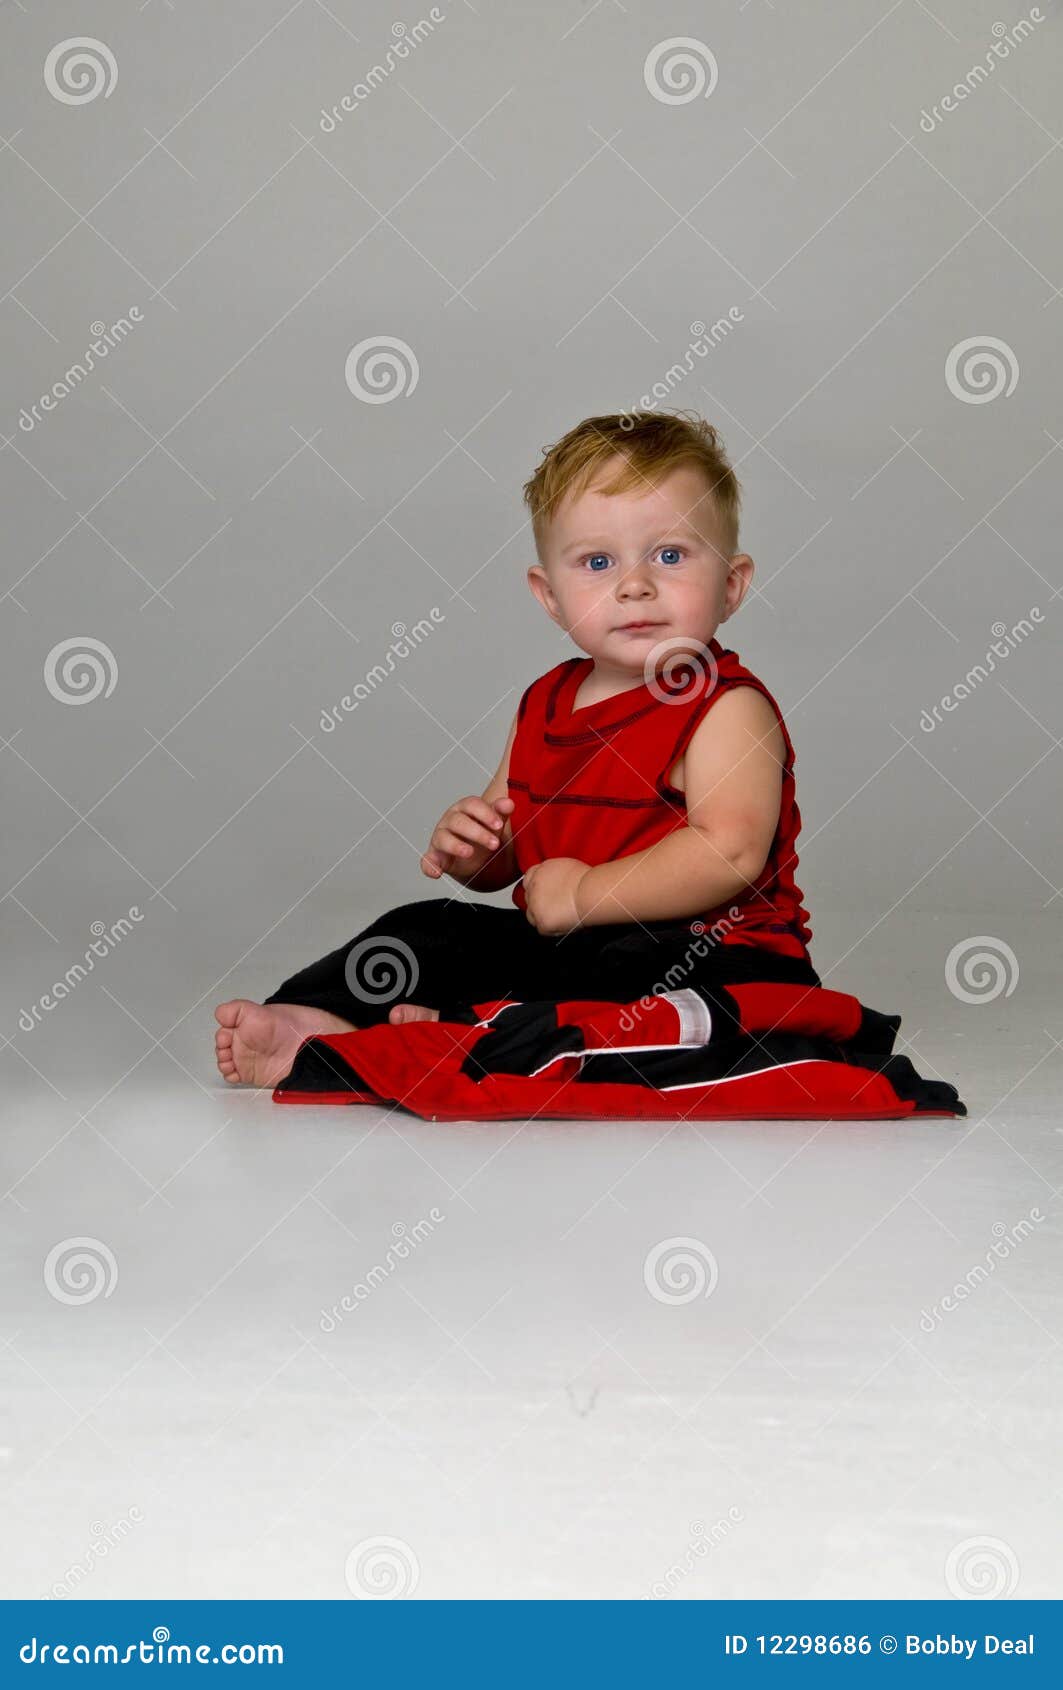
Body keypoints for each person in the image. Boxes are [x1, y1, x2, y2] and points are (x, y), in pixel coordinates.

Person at [215, 409, 819, 1088]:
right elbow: (513, 850)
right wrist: (477, 852)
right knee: (427, 928)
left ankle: (462, 1030)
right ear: (550, 598)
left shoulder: (724, 707)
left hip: (708, 951)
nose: (634, 585)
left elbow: (728, 854)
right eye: (596, 562)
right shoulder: (544, 703)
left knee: (628, 981)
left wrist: (587, 894)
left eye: (670, 555)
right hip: (566, 941)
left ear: (731, 584)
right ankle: (319, 1020)